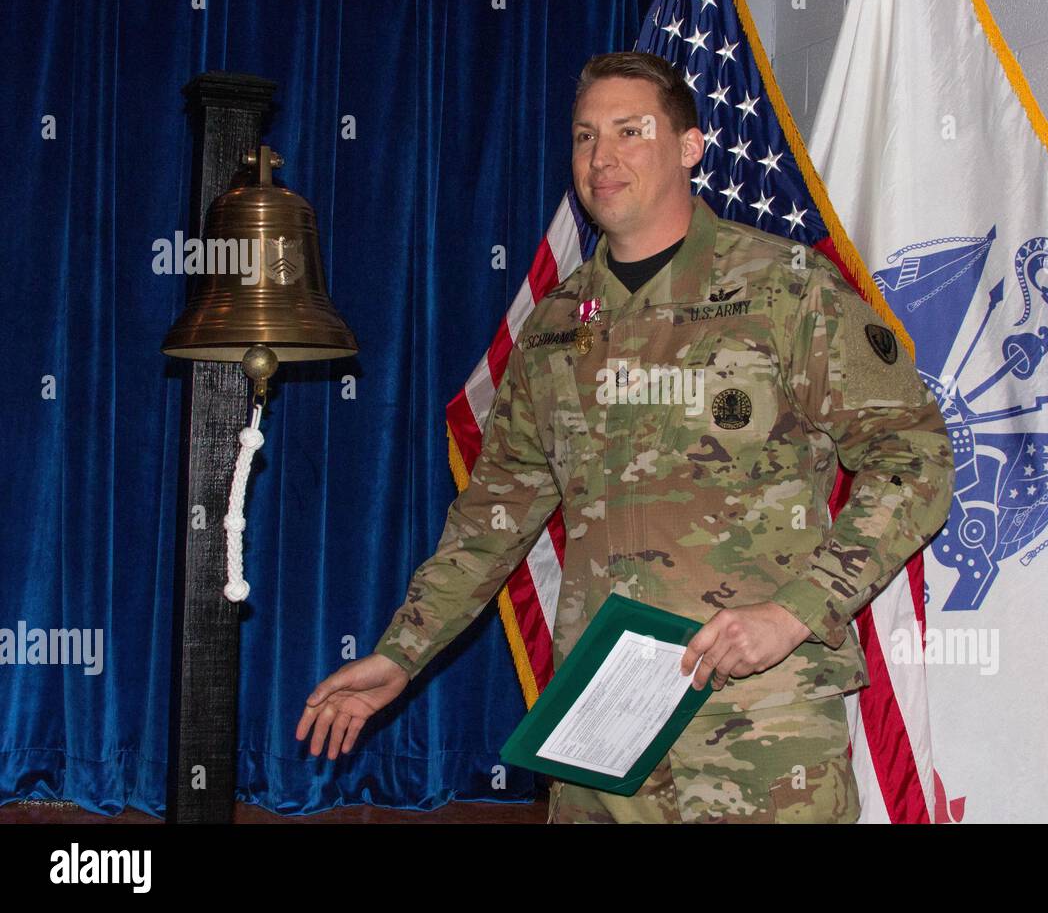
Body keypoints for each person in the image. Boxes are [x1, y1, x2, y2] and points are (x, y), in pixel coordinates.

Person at [296, 51, 954, 823]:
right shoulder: (551, 331)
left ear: (688, 146)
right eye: (583, 136)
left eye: (629, 131)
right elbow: (490, 522)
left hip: (755, 724)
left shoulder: (786, 289)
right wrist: (401, 653)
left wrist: (795, 612)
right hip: (604, 732)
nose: (601, 157)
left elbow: (914, 462)